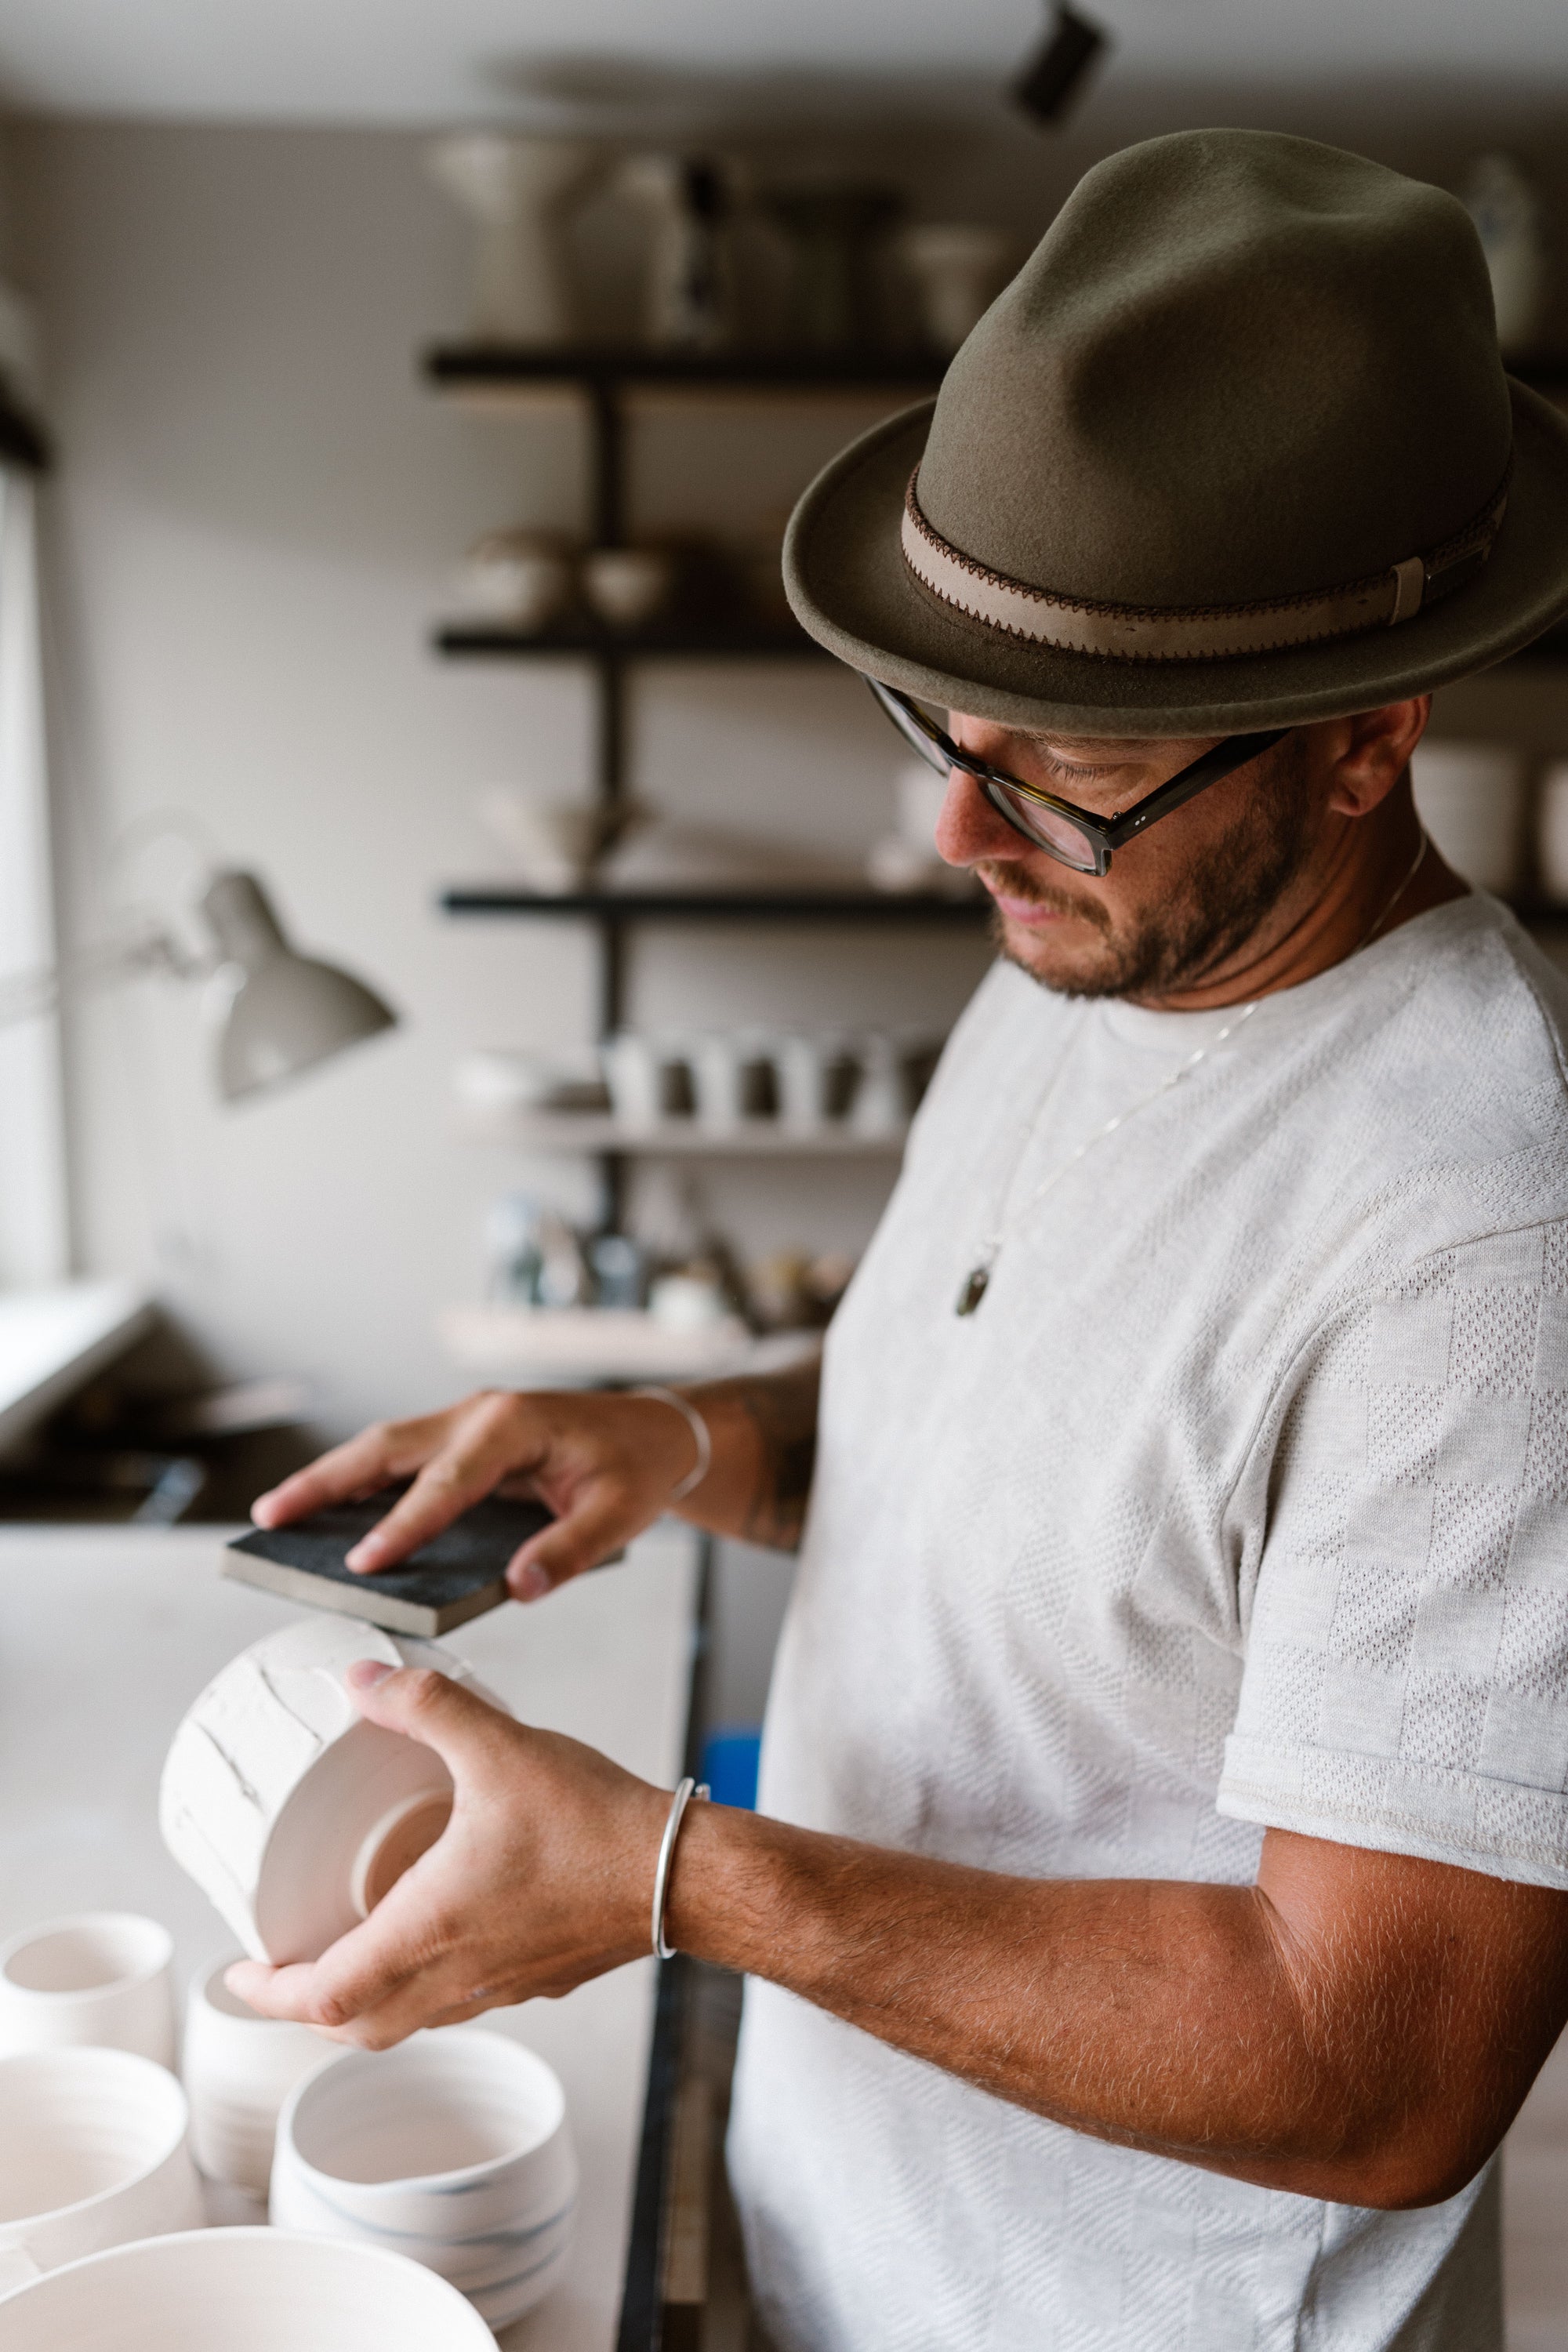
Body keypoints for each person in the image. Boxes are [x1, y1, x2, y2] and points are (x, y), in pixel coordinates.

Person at [233, 130, 1568, 2350]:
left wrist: (671, 1879)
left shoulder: (1481, 1243)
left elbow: (1382, 2073)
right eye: (944, 728)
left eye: (1057, 769)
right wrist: (684, 1440)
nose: (959, 830)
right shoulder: (1106, 939)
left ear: (1366, 740)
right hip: (866, 2239)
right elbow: (1039, 1439)